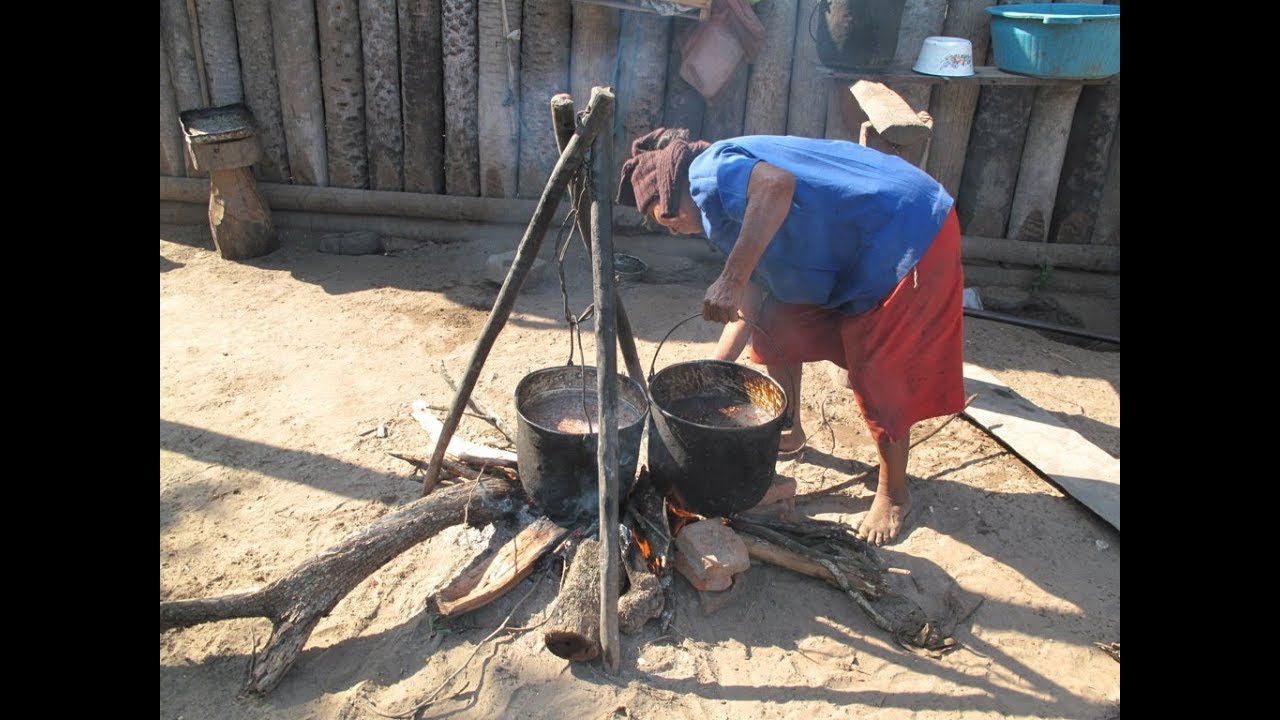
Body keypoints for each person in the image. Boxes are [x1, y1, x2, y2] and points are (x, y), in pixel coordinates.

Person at [616, 129, 966, 545]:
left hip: (905, 231)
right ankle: (787, 429)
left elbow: (776, 185)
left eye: (664, 219)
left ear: (673, 195)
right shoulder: (717, 212)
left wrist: (729, 278)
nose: (668, 231)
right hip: (855, 245)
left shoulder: (707, 169)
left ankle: (894, 493)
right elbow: (752, 300)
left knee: (876, 371)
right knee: (775, 325)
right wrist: (709, 371)